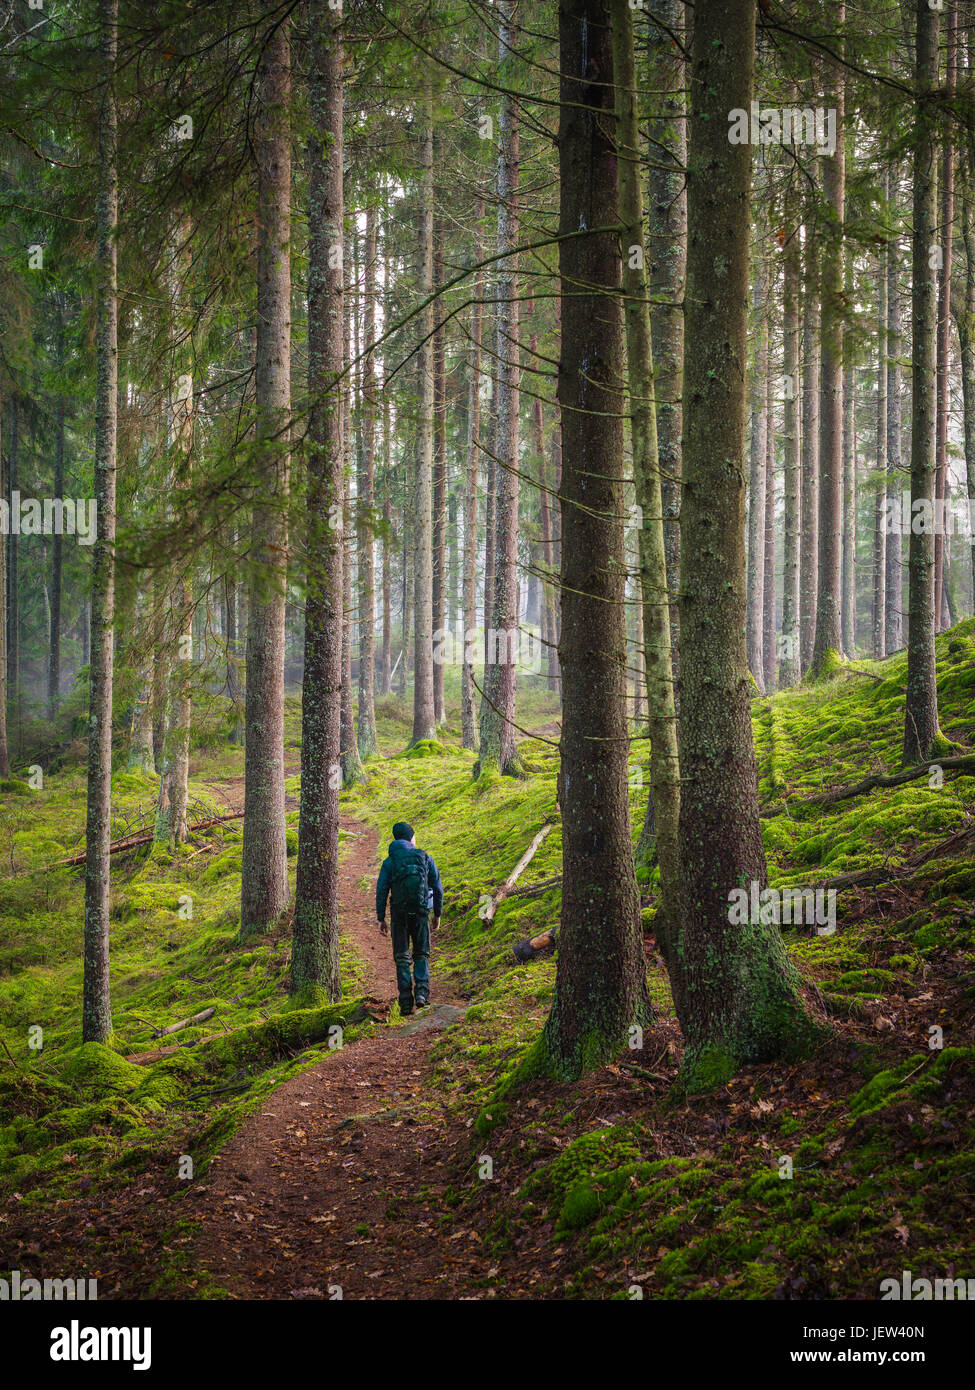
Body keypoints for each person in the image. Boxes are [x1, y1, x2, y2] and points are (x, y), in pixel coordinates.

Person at [376, 821, 443, 1016]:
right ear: (411, 838)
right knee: (421, 954)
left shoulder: (389, 862)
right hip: (421, 913)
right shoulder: (425, 857)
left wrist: (381, 918)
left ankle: (406, 1002)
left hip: (399, 915)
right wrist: (437, 914)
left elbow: (381, 890)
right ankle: (422, 994)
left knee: (402, 957)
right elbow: (437, 888)